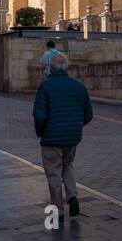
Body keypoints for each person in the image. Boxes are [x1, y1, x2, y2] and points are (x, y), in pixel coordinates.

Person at [32, 53, 93, 218]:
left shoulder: (45, 86)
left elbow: (39, 115)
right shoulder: (79, 86)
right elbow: (88, 114)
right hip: (72, 137)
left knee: (53, 172)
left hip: (51, 137)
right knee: (68, 165)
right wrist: (76, 127)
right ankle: (72, 196)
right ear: (66, 67)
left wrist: (41, 132)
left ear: (50, 68)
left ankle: (57, 208)